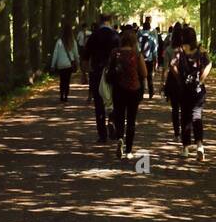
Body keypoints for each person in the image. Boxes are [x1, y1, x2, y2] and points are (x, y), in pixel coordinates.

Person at [169, 25, 211, 161]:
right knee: (197, 116)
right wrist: (202, 79)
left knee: (185, 117)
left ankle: (186, 148)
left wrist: (180, 78)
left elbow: (172, 65)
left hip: (184, 90)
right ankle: (199, 145)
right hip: (198, 90)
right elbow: (209, 65)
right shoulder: (201, 51)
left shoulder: (179, 51)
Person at [107, 29, 148, 159]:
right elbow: (144, 73)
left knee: (119, 117)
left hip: (118, 89)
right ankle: (129, 150)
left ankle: (120, 138)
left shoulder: (115, 53)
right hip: (134, 90)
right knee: (131, 120)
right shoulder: (137, 54)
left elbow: (109, 69)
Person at [83, 14, 119, 143]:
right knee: (113, 99)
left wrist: (86, 73)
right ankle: (113, 121)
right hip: (112, 73)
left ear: (100, 21)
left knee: (98, 103)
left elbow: (85, 57)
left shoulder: (94, 35)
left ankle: (102, 134)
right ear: (110, 21)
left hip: (97, 72)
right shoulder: (115, 35)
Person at [51, 23, 78, 101]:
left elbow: (55, 53)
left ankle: (61, 95)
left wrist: (53, 65)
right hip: (69, 64)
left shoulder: (59, 41)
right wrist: (78, 62)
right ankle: (66, 96)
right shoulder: (73, 41)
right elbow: (76, 54)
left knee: (62, 80)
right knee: (67, 80)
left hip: (60, 64)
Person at [138, 18, 157, 99]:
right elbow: (154, 51)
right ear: (149, 28)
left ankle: (141, 93)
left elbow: (137, 49)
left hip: (140, 59)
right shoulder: (152, 38)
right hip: (149, 60)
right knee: (149, 76)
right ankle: (151, 92)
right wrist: (155, 60)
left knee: (141, 77)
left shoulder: (139, 38)